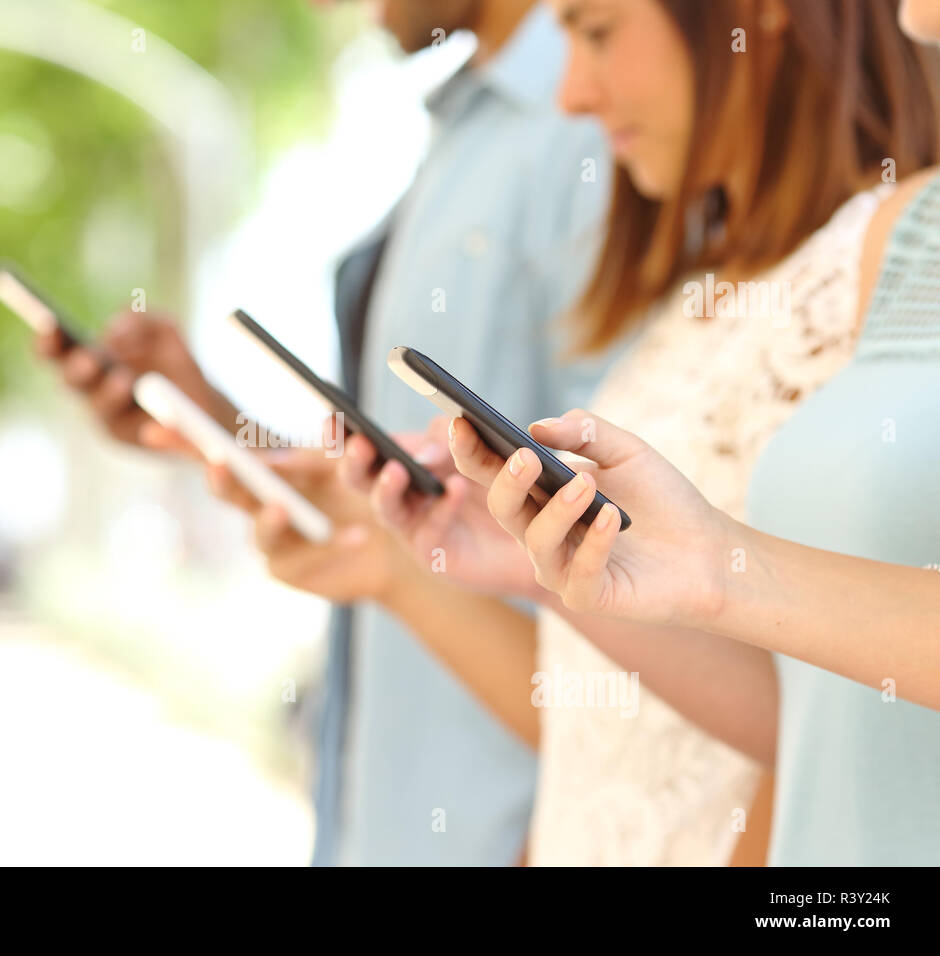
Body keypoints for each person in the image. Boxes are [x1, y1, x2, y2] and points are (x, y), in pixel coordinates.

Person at [341, 0, 940, 864]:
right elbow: (618, 737)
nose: (573, 95)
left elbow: (823, 732)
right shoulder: (688, 301)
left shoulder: (892, 260)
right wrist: (529, 564)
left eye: (597, 31)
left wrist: (718, 568)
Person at [43, 0, 612, 865]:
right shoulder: (469, 125)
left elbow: (643, 598)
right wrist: (211, 421)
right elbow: (399, 512)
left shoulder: (594, 127)